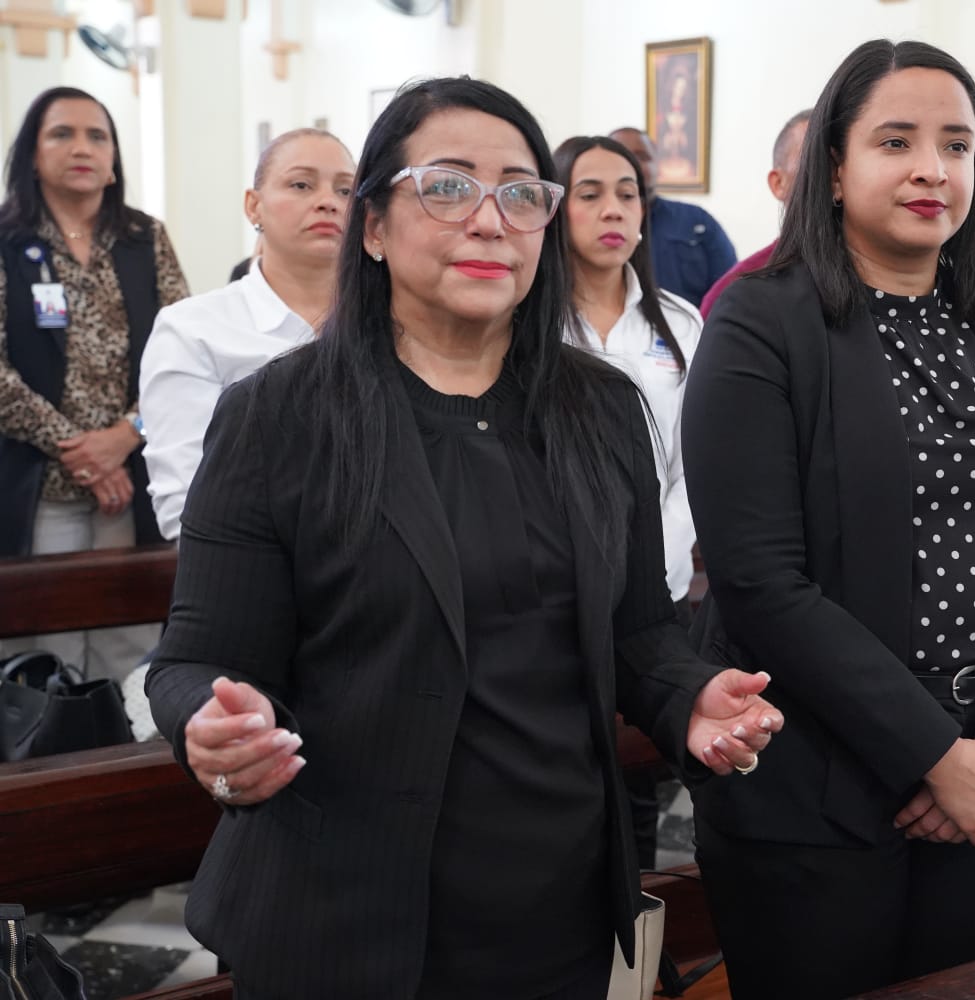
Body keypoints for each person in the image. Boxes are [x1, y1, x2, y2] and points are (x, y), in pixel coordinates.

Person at [145, 77, 781, 1000]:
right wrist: (213, 726)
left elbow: (641, 634)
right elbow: (192, 660)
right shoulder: (280, 415)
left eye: (522, 194)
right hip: (347, 909)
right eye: (447, 187)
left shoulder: (600, 409)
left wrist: (692, 700)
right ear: (372, 226)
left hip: (553, 899)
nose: (491, 221)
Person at [681, 40, 975, 998]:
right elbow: (759, 579)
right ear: (833, 165)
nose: (931, 169)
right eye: (896, 141)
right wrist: (931, 754)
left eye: (956, 145)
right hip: (817, 786)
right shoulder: (760, 321)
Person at [554, 133, 704, 872]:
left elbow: (690, 466)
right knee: (568, 783)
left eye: (627, 193)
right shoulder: (528, 320)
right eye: (590, 193)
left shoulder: (678, 323)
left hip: (657, 593)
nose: (613, 209)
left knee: (639, 779)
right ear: (555, 207)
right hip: (557, 591)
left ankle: (636, 967)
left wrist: (659, 555)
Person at [0, 86, 188, 677]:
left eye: (96, 135)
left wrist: (125, 436)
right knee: (41, 653)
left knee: (129, 644)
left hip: (132, 481)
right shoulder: (8, 240)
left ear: (113, 162)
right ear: (32, 154)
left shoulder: (143, 238)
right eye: (62, 133)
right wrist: (80, 451)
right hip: (38, 484)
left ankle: (126, 767)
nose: (81, 147)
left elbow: (181, 354)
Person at [140, 128, 354, 541]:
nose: (328, 201)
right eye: (301, 184)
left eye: (346, 191)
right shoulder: (193, 329)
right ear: (253, 206)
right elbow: (185, 506)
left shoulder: (394, 325)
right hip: (250, 576)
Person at [699, 109, 810, 318]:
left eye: (841, 160)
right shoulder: (736, 296)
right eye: (813, 161)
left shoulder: (885, 275)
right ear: (778, 183)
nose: (834, 175)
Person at [608, 127, 735, 308]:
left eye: (642, 157)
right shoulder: (590, 225)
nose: (633, 165)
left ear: (657, 165)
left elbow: (730, 291)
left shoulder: (697, 222)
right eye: (623, 157)